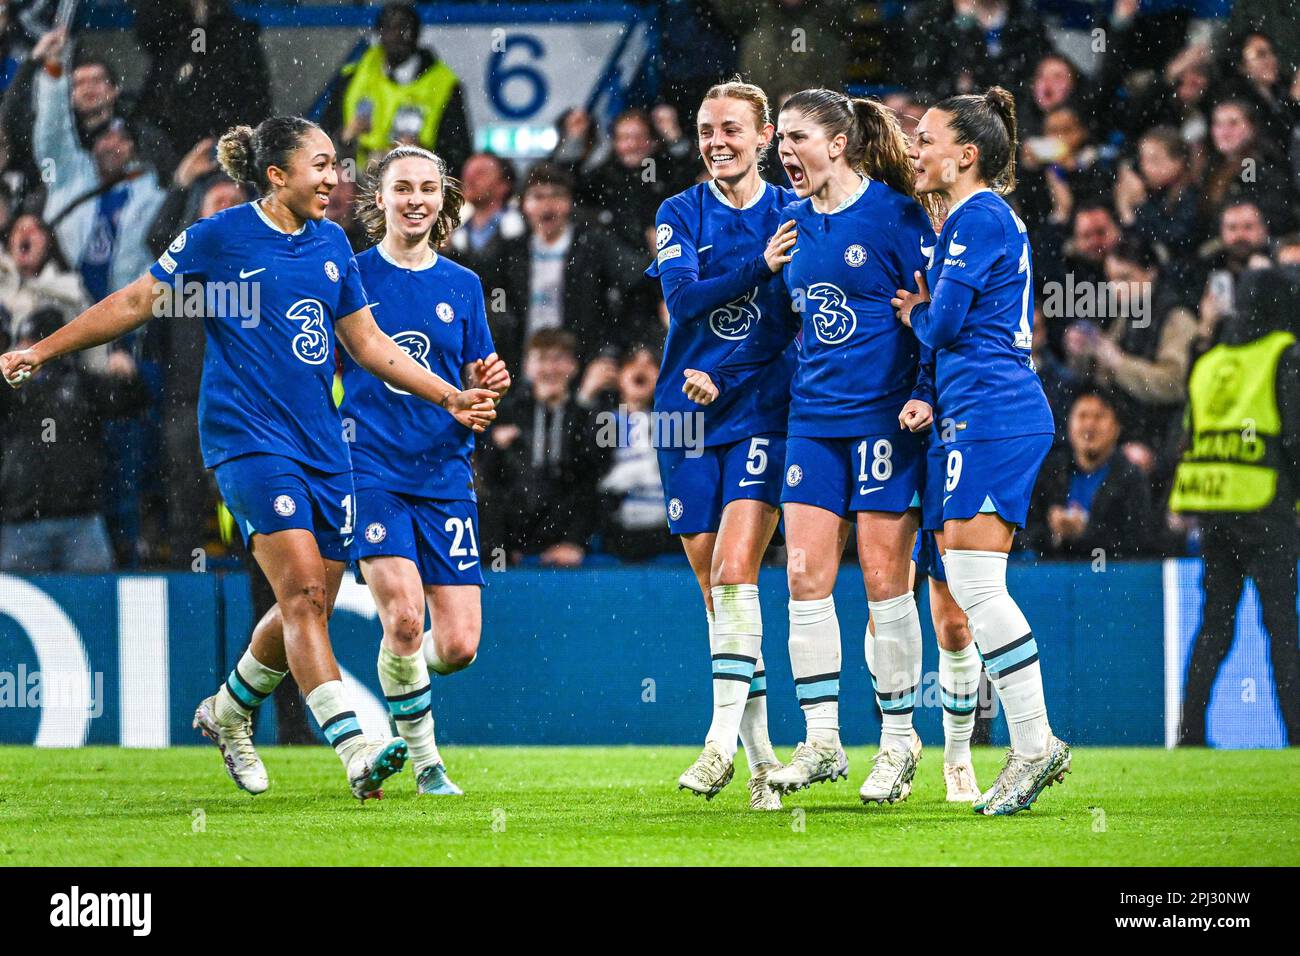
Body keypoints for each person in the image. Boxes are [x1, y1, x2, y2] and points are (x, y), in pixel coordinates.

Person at [0, 115, 498, 800]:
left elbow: (371, 345)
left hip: (325, 449)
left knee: (309, 605)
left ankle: (229, 711)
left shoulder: (330, 245)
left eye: (333, 166)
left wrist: (449, 396)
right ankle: (357, 750)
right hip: (247, 440)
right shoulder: (218, 236)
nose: (333, 179)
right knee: (302, 592)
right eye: (320, 166)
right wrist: (42, 349)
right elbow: (138, 300)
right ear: (276, 174)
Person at [685, 90, 939, 805]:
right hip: (812, 422)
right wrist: (720, 369)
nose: (786, 152)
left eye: (797, 137)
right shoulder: (791, 225)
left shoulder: (894, 215)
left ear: (839, 143)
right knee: (803, 577)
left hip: (886, 422)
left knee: (888, 582)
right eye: (783, 139)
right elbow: (771, 333)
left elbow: (929, 312)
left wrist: (924, 390)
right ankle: (823, 740)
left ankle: (897, 742)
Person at [895, 86, 1072, 815]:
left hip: (994, 412)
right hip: (978, 413)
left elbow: (943, 326)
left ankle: (1035, 745)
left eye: (927, 137)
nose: (915, 147)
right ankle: (1030, 745)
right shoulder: (971, 219)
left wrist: (917, 311)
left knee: (975, 586)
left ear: (967, 155)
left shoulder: (982, 215)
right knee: (971, 585)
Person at [645, 79, 796, 809]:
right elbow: (683, 300)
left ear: (765, 136)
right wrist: (758, 268)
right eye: (707, 131)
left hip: (762, 410)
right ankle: (765, 759)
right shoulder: (679, 211)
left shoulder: (795, 214)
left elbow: (794, 324)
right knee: (718, 595)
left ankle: (716, 745)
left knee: (738, 573)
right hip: (683, 417)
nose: (717, 143)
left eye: (731, 130)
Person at [343, 144, 511, 796]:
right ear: (378, 199)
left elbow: (478, 386)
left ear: (443, 202)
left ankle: (401, 678)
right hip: (371, 469)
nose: (415, 199)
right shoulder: (349, 278)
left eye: (427, 189)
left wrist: (489, 383)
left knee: (460, 645)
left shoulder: (463, 286)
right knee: (405, 618)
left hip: (444, 475)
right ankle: (425, 762)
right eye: (402, 187)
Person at [1169, 266, 1300, 747]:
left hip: (1213, 507)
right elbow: (1293, 438)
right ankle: (1297, 735)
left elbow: (1185, 437)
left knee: (1215, 624)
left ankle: (1189, 733)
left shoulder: (1210, 360)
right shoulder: (1283, 355)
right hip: (1265, 505)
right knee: (1282, 624)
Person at [0, 308, 148, 572]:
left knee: (93, 608)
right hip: (27, 520)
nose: (20, 349)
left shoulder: (82, 383)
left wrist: (128, 378)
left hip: (78, 519)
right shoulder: (12, 391)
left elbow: (132, 402)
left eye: (28, 343)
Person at [321, 2, 471, 173]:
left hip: (413, 184)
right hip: (356, 181)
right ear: (379, 33)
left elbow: (458, 156)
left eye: (403, 28)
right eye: (388, 28)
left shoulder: (443, 85)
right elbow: (323, 138)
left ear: (417, 35)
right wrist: (343, 139)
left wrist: (422, 153)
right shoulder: (353, 77)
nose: (396, 35)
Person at [1023, 391, 1154, 559]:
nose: (1089, 425)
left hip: (1110, 578)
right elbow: (1022, 532)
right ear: (1069, 425)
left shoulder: (1131, 478)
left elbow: (1139, 542)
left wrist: (1086, 531)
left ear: (1116, 428)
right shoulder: (1048, 471)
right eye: (1082, 416)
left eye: (1099, 417)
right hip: (1052, 576)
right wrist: (1053, 533)